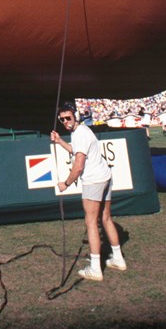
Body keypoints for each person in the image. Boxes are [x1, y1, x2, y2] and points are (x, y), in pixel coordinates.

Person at [50, 104, 125, 282]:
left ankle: (95, 268)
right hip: (105, 176)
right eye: (62, 119)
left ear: (75, 116)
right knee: (106, 218)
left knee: (91, 222)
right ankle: (118, 259)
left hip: (94, 181)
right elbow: (77, 151)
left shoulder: (80, 134)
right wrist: (60, 142)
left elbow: (78, 166)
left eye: (68, 118)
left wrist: (66, 184)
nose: (65, 122)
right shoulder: (81, 131)